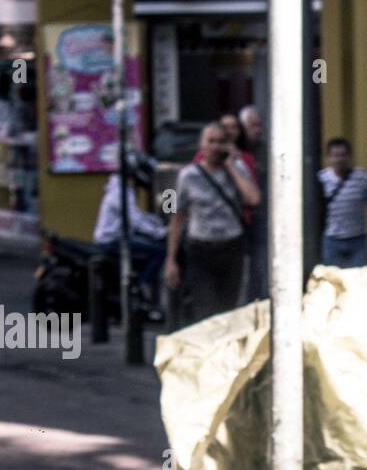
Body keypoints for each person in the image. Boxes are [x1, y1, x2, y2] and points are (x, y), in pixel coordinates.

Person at [164, 121, 261, 325]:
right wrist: (170, 259)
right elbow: (175, 216)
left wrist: (231, 167)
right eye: (211, 141)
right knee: (205, 309)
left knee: (228, 309)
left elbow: (253, 199)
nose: (215, 147)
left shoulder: (237, 168)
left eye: (221, 142)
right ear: (201, 145)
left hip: (231, 247)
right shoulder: (186, 176)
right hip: (200, 248)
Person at [92, 153, 167, 309]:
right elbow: (135, 220)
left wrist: (156, 223)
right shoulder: (120, 192)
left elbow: (138, 215)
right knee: (159, 251)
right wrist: (160, 233)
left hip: (119, 236)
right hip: (111, 240)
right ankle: (141, 287)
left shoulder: (125, 189)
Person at [317, 137, 367, 268]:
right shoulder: (321, 179)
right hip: (332, 239)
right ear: (328, 158)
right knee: (332, 278)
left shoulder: (362, 177)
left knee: (358, 278)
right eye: (335, 156)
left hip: (357, 239)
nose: (339, 160)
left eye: (343, 155)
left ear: (350, 157)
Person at [239, 105, 268, 302]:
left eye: (259, 125)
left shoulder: (265, 152)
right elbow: (171, 196)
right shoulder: (231, 153)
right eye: (251, 125)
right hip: (234, 222)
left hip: (259, 218)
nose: (257, 130)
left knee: (259, 269)